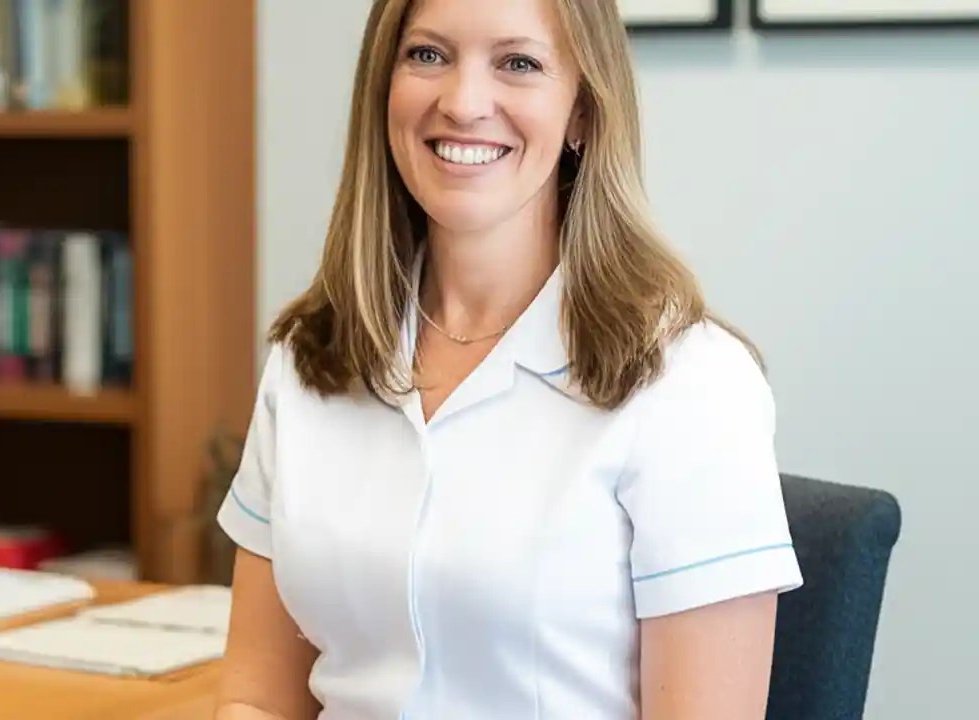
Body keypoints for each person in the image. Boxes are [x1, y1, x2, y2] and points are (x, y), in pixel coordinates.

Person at [214, 0, 803, 717]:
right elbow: (260, 699)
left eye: (517, 63)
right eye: (427, 54)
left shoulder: (691, 383)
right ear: (384, 85)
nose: (462, 102)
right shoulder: (312, 356)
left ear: (582, 111)